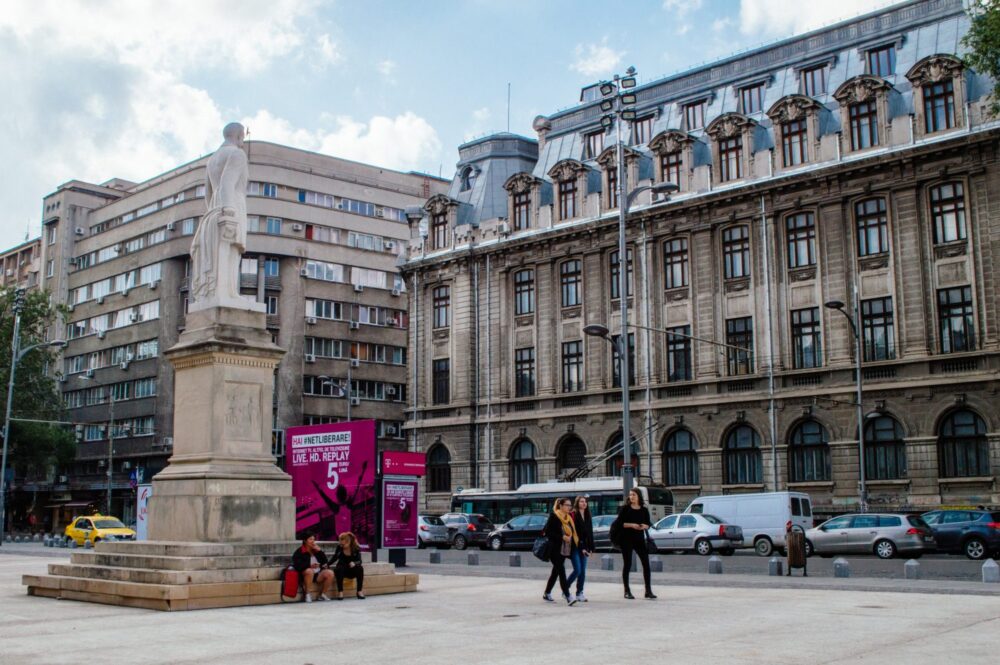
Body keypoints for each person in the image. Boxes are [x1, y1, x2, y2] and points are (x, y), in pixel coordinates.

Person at [615, 489, 656, 600]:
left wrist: (644, 526)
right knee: (627, 564)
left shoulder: (644, 510)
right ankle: (627, 591)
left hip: (639, 540)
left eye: (634, 495)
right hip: (626, 540)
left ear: (638, 496)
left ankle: (648, 590)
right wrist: (632, 525)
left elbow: (648, 524)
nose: (631, 497)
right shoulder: (625, 509)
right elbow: (619, 524)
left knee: (646, 564)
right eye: (630, 495)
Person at [542, 498, 579, 606]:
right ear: (561, 506)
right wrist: (562, 536)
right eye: (567, 505)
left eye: (570, 505)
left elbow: (573, 533)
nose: (569, 507)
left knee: (556, 572)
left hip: (564, 549)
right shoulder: (554, 516)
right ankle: (568, 596)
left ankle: (547, 593)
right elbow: (547, 532)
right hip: (554, 549)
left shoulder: (568, 518)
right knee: (561, 571)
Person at [566, 495, 593, 602]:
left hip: (585, 547)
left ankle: (579, 593)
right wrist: (581, 547)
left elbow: (589, 533)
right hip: (575, 546)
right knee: (577, 570)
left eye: (585, 502)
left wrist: (591, 547)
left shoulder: (587, 515)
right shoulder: (573, 515)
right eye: (582, 501)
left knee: (583, 571)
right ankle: (565, 588)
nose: (584, 503)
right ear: (577, 503)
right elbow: (574, 533)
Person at [291, 533, 334, 602]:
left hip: (317, 574)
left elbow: (325, 563)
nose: (313, 541)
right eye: (310, 539)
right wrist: (310, 565)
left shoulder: (316, 550)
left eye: (313, 539)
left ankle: (322, 595)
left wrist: (320, 552)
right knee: (310, 571)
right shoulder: (299, 551)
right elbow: (298, 565)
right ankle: (307, 594)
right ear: (305, 541)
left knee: (330, 573)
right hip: (306, 574)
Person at [332, 531, 365, 600]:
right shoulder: (340, 547)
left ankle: (359, 591)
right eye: (340, 540)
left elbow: (360, 561)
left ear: (348, 541)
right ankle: (340, 592)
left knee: (360, 568)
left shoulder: (355, 548)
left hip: (352, 569)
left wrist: (354, 563)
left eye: (342, 541)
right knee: (339, 569)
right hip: (342, 568)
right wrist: (328, 564)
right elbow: (335, 557)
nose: (340, 543)